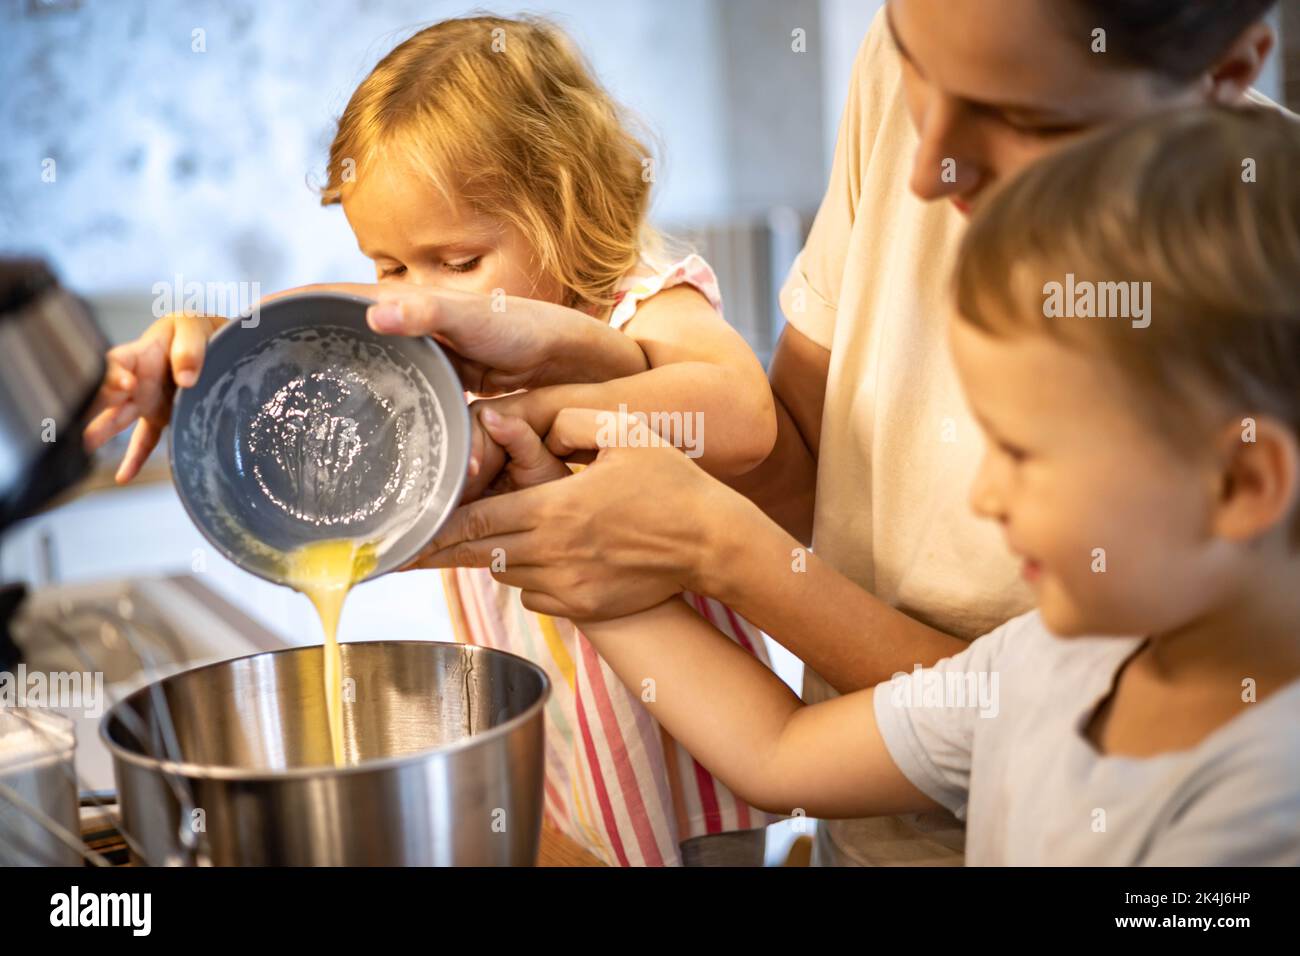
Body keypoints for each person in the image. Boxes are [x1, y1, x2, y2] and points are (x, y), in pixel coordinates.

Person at [396, 0, 1288, 865]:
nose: (924, 168)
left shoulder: (1252, 796)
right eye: (918, 73)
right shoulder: (1048, 669)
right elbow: (775, 749)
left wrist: (708, 541)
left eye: (1018, 110)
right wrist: (570, 475)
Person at [83, 15, 783, 866]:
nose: (422, 301)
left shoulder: (642, 303)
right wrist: (201, 347)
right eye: (389, 266)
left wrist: (545, 404)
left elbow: (743, 421)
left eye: (457, 263)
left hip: (686, 767)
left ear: (568, 209)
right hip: (554, 754)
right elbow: (301, 335)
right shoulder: (420, 352)